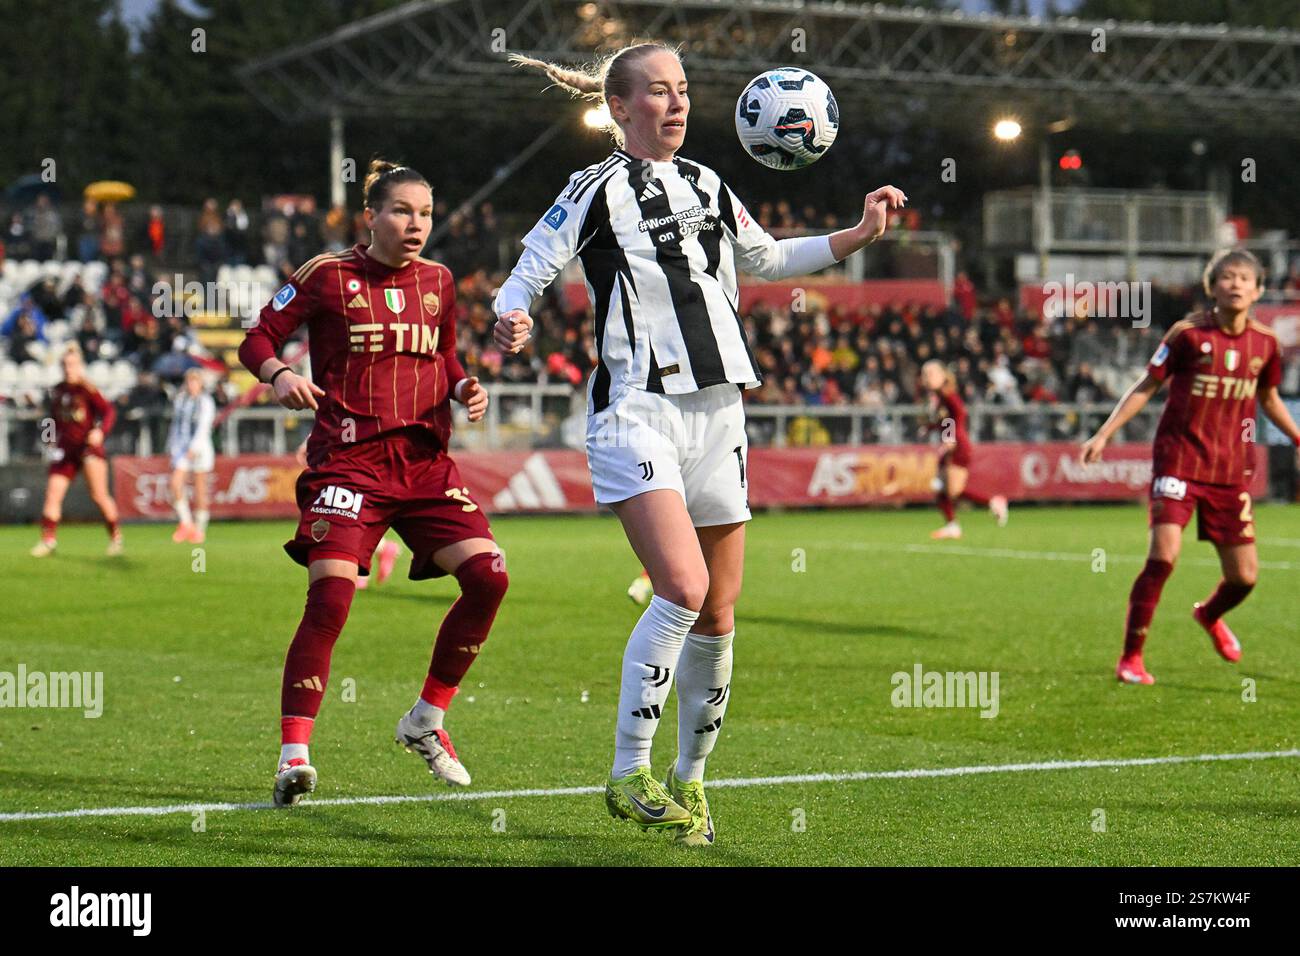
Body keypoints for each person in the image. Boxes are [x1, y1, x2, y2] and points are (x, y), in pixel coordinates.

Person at [497, 43, 905, 845]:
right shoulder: (592, 189)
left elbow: (768, 258)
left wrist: (861, 231)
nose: (677, 104)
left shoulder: (708, 183)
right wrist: (514, 314)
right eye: (658, 91)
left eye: (683, 90)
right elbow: (531, 266)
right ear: (619, 106)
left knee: (718, 613)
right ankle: (628, 768)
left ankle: (693, 782)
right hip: (637, 411)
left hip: (721, 413)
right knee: (680, 588)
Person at [238, 158, 504, 806]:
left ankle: (427, 720)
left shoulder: (439, 281)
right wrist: (278, 374)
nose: (416, 224)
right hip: (349, 462)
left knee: (489, 577)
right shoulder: (328, 276)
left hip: (423, 464)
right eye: (402, 211)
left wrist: (465, 384)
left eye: (425, 214)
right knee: (331, 598)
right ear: (371, 216)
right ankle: (293, 756)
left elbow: (443, 358)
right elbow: (258, 337)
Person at [1082, 250, 1300, 685]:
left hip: (1229, 471)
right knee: (1163, 556)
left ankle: (1209, 614)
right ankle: (1131, 658)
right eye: (1227, 277)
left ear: (1258, 290)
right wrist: (1104, 433)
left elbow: (1269, 398)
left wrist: (1298, 437)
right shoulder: (1186, 334)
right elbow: (1147, 385)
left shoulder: (1266, 344)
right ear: (1211, 286)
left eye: (1245, 278)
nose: (1236, 284)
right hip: (1178, 461)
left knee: (1244, 577)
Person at [31, 345, 123, 557]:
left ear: (80, 366)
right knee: (53, 493)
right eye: (64, 365)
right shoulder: (58, 390)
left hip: (88, 449)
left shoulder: (87, 390)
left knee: (99, 495)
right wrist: (50, 440)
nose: (68, 369)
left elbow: (108, 411)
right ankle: (48, 540)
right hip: (66, 451)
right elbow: (51, 420)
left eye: (72, 364)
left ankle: (116, 537)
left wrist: (100, 431)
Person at [918, 359, 1008, 539]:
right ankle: (952, 525)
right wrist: (929, 427)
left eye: (931, 374)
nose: (927, 378)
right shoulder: (939, 396)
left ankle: (994, 502)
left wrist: (949, 438)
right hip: (951, 444)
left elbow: (958, 414)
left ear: (943, 375)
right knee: (941, 489)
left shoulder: (947, 394)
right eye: (924, 374)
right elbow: (945, 420)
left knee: (953, 491)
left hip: (958, 446)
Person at [166, 368, 216, 543]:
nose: (191, 385)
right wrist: (172, 446)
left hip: (200, 449)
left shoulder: (206, 402)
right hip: (181, 448)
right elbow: (176, 425)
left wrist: (195, 448)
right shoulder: (181, 400)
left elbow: (204, 426)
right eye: (189, 381)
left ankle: (199, 528)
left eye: (195, 381)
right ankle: (186, 522)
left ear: (200, 383)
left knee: (200, 489)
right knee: (175, 484)